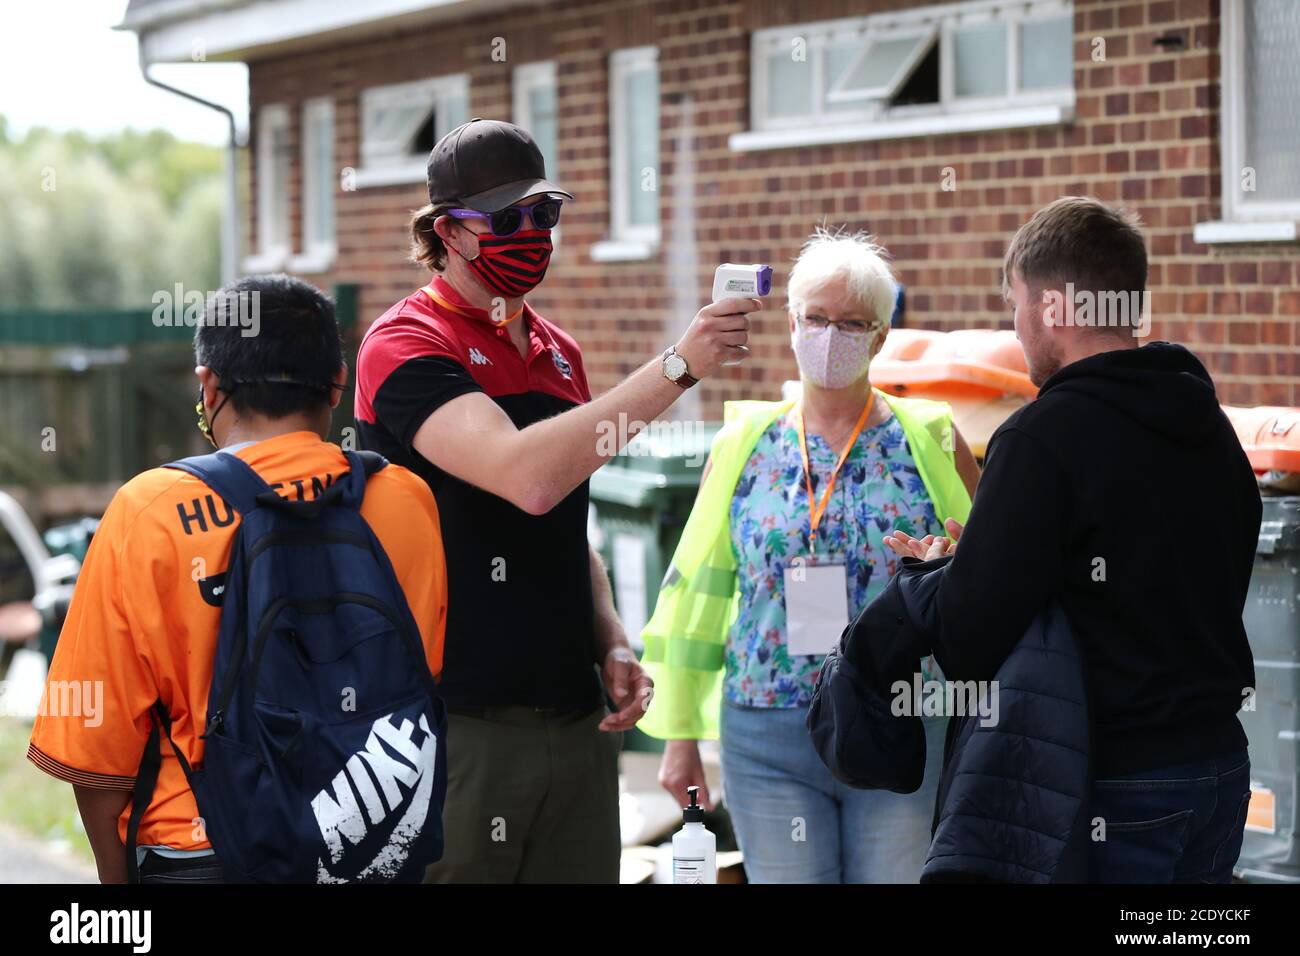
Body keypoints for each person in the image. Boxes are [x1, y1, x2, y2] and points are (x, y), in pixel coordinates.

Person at [354, 118, 760, 883]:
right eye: (507, 219)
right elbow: (526, 476)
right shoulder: (405, 343)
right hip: (458, 715)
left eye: (545, 213)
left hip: (573, 716)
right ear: (448, 232)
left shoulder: (557, 350)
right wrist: (680, 364)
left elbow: (565, 527)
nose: (534, 232)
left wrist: (609, 635)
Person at [885, 196, 1261, 883]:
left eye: (1017, 303)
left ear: (1055, 308)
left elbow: (969, 640)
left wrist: (944, 571)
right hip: (1219, 770)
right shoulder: (1203, 419)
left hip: (1114, 782)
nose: (1017, 326)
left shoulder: (1041, 437)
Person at [27, 275, 448, 883]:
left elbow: (99, 749)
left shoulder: (149, 510)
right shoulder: (406, 500)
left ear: (209, 385)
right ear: (337, 383)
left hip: (202, 853)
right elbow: (419, 678)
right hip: (367, 848)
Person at [640, 227, 980, 883]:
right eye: (816, 318)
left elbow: (987, 573)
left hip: (898, 716)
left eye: (851, 323)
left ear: (881, 335)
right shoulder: (744, 443)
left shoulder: (931, 438)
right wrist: (680, 735)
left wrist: (943, 564)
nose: (829, 336)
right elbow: (693, 593)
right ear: (791, 323)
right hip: (768, 731)